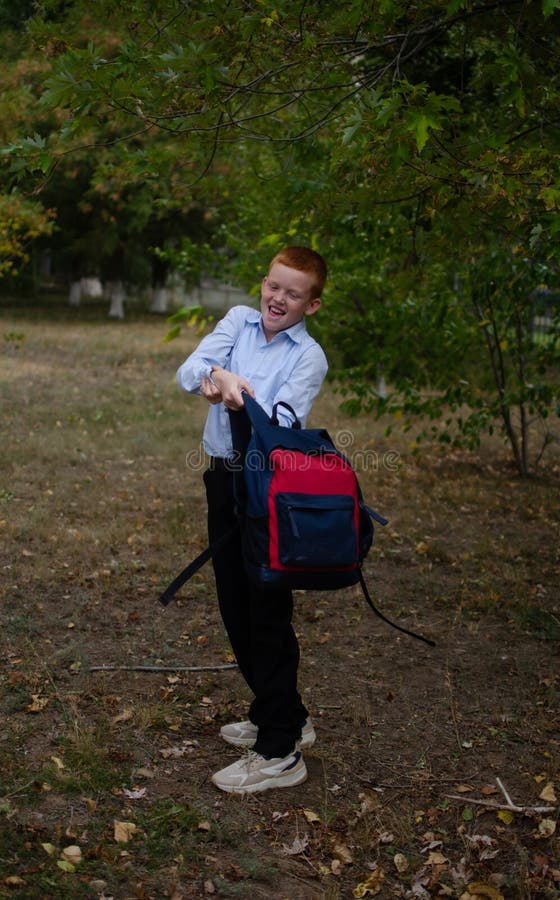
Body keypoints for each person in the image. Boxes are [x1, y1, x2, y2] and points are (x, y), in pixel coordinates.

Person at [176, 246, 328, 794]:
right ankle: (284, 712)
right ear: (262, 284)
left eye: (293, 293)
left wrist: (236, 392)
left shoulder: (309, 357)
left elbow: (282, 420)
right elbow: (188, 369)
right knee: (233, 603)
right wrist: (216, 372)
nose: (278, 299)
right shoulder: (238, 321)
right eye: (273, 286)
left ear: (311, 304)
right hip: (223, 478)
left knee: (265, 607)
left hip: (268, 486)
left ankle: (280, 750)